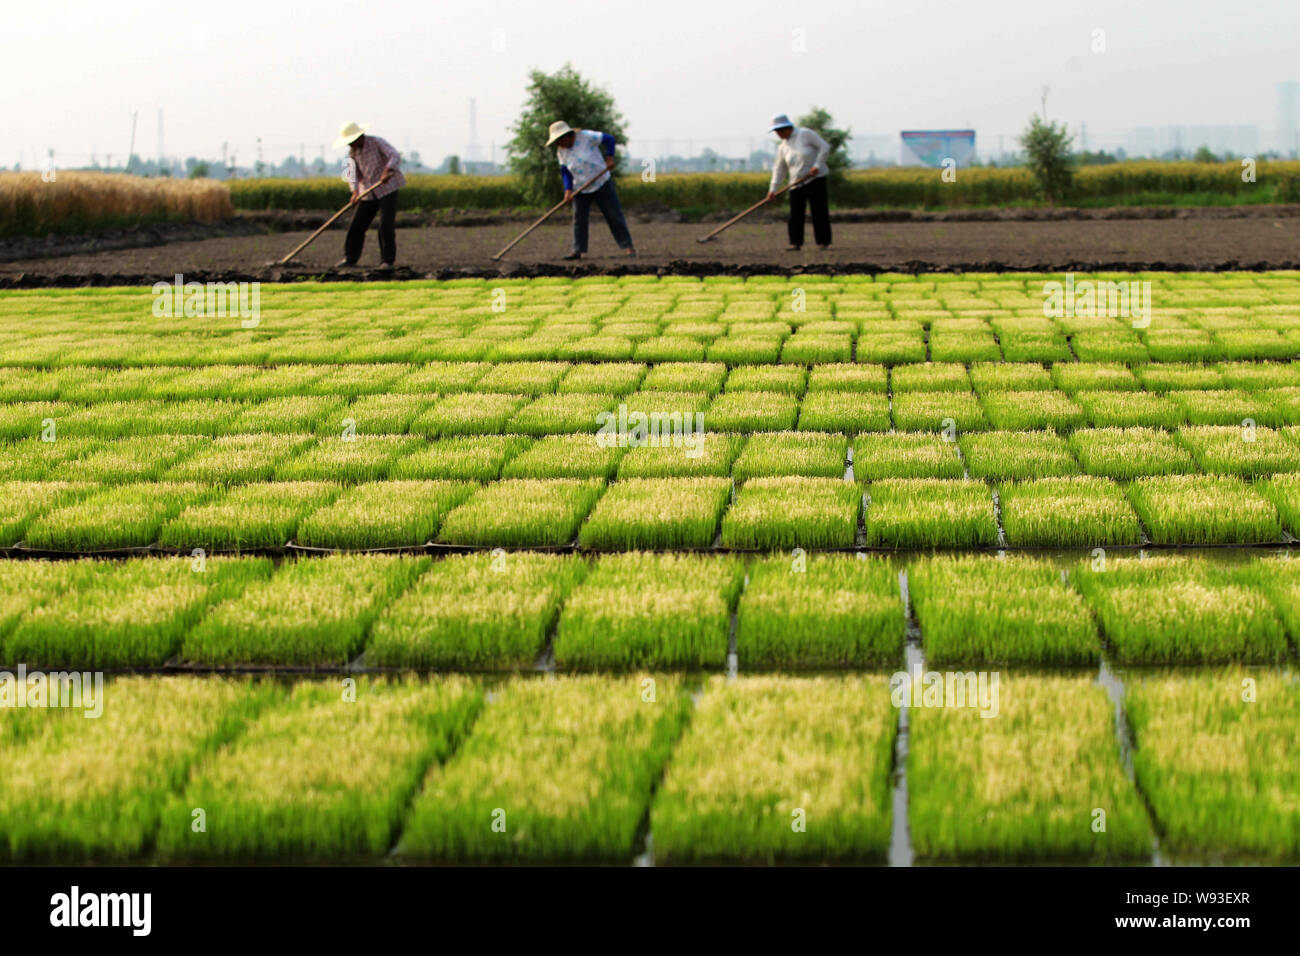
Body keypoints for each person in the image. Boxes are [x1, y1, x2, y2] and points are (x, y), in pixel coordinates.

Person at [546, 120, 635, 260]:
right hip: (580, 187)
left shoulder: (586, 137)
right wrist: (568, 190)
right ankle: (577, 251)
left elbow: (609, 139)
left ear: (567, 136)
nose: (558, 144)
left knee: (613, 215)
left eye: (559, 141)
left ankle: (627, 246)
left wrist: (610, 158)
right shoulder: (561, 151)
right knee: (578, 219)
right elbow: (565, 172)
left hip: (601, 182)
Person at [333, 122, 406, 270]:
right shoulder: (352, 153)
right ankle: (350, 258)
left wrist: (387, 170)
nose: (350, 145)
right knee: (356, 226)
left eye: (352, 142)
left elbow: (394, 155)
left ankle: (387, 261)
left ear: (359, 137)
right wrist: (355, 192)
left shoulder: (377, 142)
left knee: (385, 226)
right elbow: (351, 175)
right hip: (368, 191)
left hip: (387, 188)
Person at [766, 114, 832, 251]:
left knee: (819, 211)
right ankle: (795, 242)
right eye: (776, 132)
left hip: (815, 179)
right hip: (796, 182)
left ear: (787, 128)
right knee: (795, 214)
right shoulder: (783, 147)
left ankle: (823, 242)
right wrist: (773, 189)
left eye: (779, 131)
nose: (778, 134)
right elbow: (779, 168)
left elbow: (824, 147)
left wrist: (817, 165)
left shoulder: (805, 134)